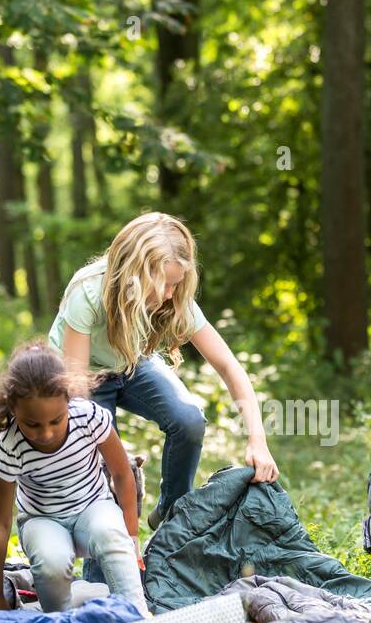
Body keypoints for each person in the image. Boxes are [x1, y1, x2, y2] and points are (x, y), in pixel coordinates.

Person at [49, 212, 277, 530]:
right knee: (102, 466)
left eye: (176, 283)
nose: (170, 294)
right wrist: (114, 458)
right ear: (134, 276)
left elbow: (228, 365)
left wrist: (258, 440)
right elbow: (77, 391)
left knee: (189, 420)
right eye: (164, 285)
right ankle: (100, 575)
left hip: (131, 360)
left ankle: (172, 520)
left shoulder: (173, 298)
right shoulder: (88, 293)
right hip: (84, 375)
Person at [0, 340, 149, 616]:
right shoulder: (10, 445)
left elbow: (121, 473)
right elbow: (0, 525)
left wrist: (131, 536)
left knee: (111, 535)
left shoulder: (90, 417)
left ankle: (137, 618)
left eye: (56, 420)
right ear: (13, 409)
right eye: (32, 424)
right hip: (42, 520)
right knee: (51, 563)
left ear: (68, 399)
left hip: (93, 509)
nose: (45, 433)